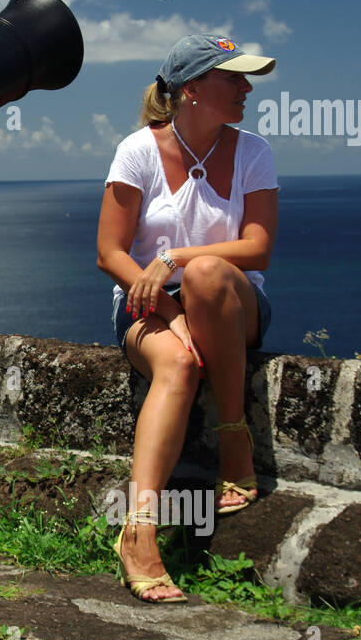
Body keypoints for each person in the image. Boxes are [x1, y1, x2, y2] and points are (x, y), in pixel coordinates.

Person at [95, 34, 278, 603]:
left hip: (231, 301)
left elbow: (257, 249)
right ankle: (139, 530)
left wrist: (176, 257)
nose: (247, 88)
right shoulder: (137, 151)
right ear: (192, 89)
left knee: (205, 275)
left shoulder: (253, 151)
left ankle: (232, 439)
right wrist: (167, 308)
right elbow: (110, 253)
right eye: (233, 78)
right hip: (147, 301)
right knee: (174, 364)